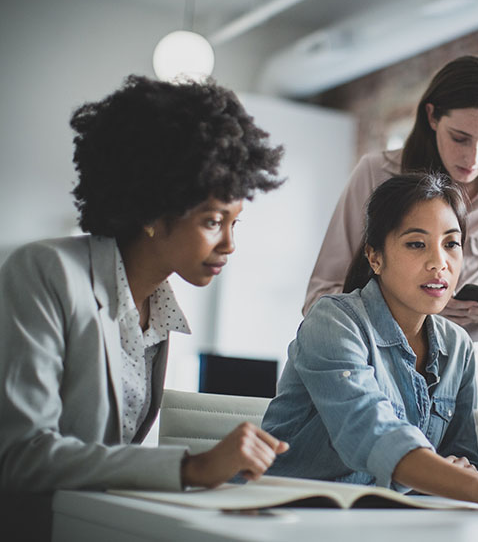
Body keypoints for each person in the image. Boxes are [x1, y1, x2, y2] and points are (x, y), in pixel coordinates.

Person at [0, 76, 290, 504]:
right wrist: (191, 468)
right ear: (152, 210)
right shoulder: (45, 271)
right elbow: (21, 455)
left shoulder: (159, 311)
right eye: (212, 221)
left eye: (234, 223)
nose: (230, 245)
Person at [263, 173, 478, 506]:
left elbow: (461, 456)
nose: (440, 264)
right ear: (375, 257)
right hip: (287, 514)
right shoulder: (332, 321)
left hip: (388, 522)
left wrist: (462, 470)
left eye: (451, 244)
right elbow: (370, 432)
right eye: (416, 244)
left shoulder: (458, 347)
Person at [303, 55, 478, 351]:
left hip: (461, 382)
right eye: (460, 138)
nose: (473, 157)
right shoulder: (375, 173)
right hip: (374, 369)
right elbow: (319, 298)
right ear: (432, 117)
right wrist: (412, 309)